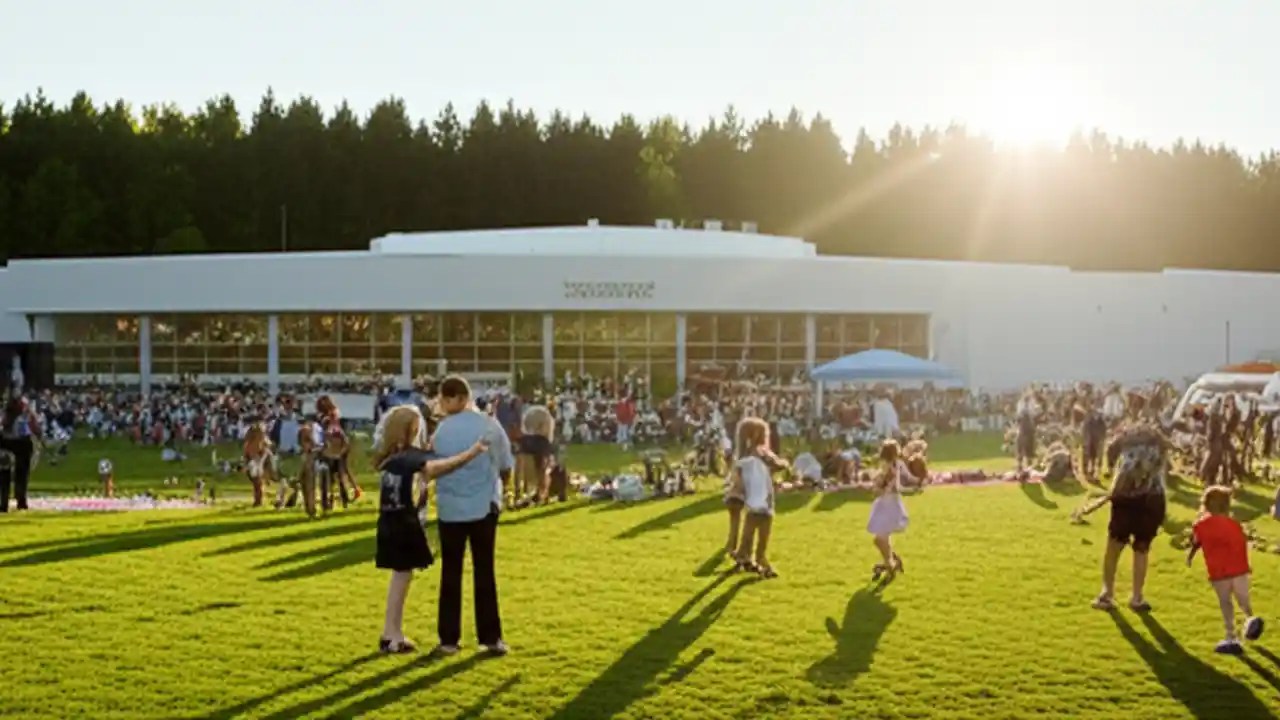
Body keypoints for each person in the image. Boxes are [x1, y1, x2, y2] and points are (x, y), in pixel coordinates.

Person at [373, 406, 488, 654]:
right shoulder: (410, 459)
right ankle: (391, 635)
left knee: (401, 577)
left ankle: (392, 632)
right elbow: (439, 467)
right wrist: (473, 452)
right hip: (405, 524)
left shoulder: (392, 458)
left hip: (390, 521)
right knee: (402, 578)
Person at [430, 376, 513, 656]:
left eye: (444, 399)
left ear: (458, 399)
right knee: (484, 571)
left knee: (450, 573)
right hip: (482, 506)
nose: (441, 404)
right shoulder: (490, 425)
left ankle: (448, 639)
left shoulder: (440, 431)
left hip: (450, 508)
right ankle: (491, 637)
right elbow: (505, 464)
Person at [1092, 424, 1168, 612]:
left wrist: (1110, 470)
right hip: (1153, 499)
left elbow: (1111, 454)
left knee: (1114, 546)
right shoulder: (1159, 444)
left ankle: (1107, 593)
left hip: (1126, 497)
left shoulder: (1124, 440)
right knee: (1141, 548)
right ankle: (1137, 597)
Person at [1187, 486, 1265, 654]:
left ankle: (1231, 636)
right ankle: (1251, 620)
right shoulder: (1234, 525)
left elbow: (1196, 541)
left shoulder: (1201, 525)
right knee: (1243, 599)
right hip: (1240, 569)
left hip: (1219, 572)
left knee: (1226, 603)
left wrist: (1190, 555)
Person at [729, 417, 787, 578]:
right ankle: (762, 562)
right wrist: (785, 462)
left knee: (749, 532)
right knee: (763, 534)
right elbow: (777, 465)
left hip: (752, 501)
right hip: (764, 501)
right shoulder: (761, 453)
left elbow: (739, 479)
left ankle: (743, 556)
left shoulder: (742, 458)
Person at [868, 439, 911, 582]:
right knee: (881, 538)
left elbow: (889, 485)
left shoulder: (891, 467)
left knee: (879, 539)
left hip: (889, 504)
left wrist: (880, 488)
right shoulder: (891, 466)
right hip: (886, 503)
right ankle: (891, 562)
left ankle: (890, 564)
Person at [0, 396, 41, 512]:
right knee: (19, 474)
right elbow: (35, 426)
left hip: (10, 441)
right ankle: (19, 501)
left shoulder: (11, 409)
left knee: (5, 474)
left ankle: (5, 502)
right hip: (19, 441)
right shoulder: (24, 409)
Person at [513, 405, 555, 506]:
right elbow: (547, 432)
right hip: (540, 441)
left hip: (530, 440)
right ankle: (541, 493)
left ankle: (522, 493)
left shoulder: (531, 412)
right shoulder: (546, 416)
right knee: (541, 469)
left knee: (525, 469)